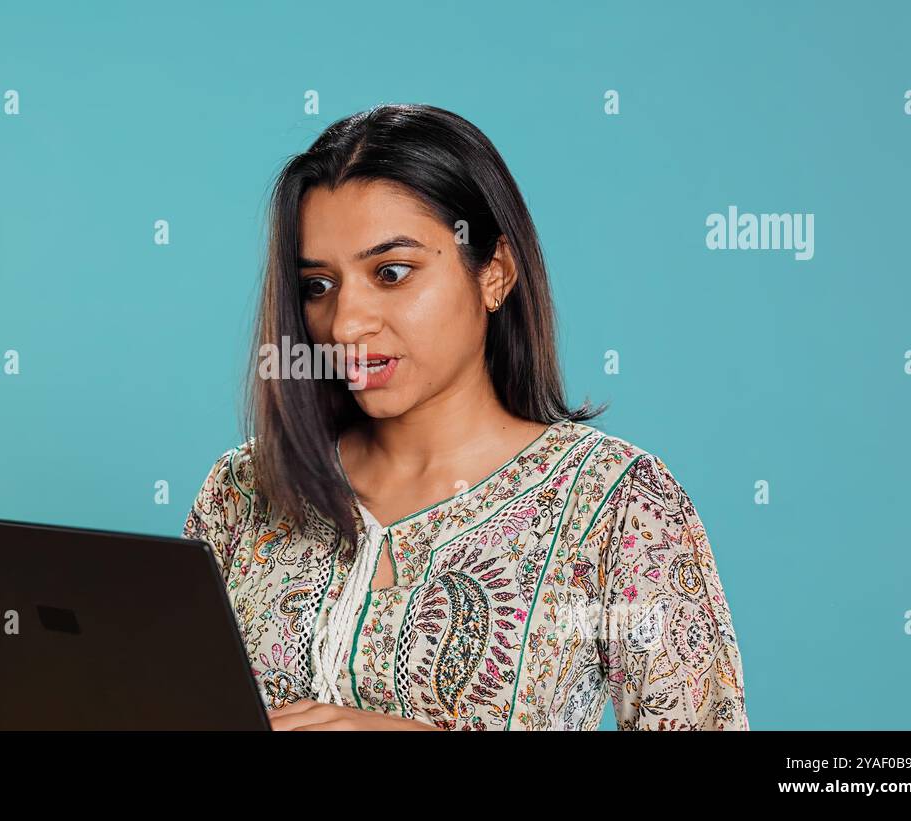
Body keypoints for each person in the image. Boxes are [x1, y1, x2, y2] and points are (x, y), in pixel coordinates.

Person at [183, 104, 748, 731]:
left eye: (391, 273)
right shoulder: (242, 491)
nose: (345, 324)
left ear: (495, 273)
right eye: (319, 285)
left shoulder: (616, 508)